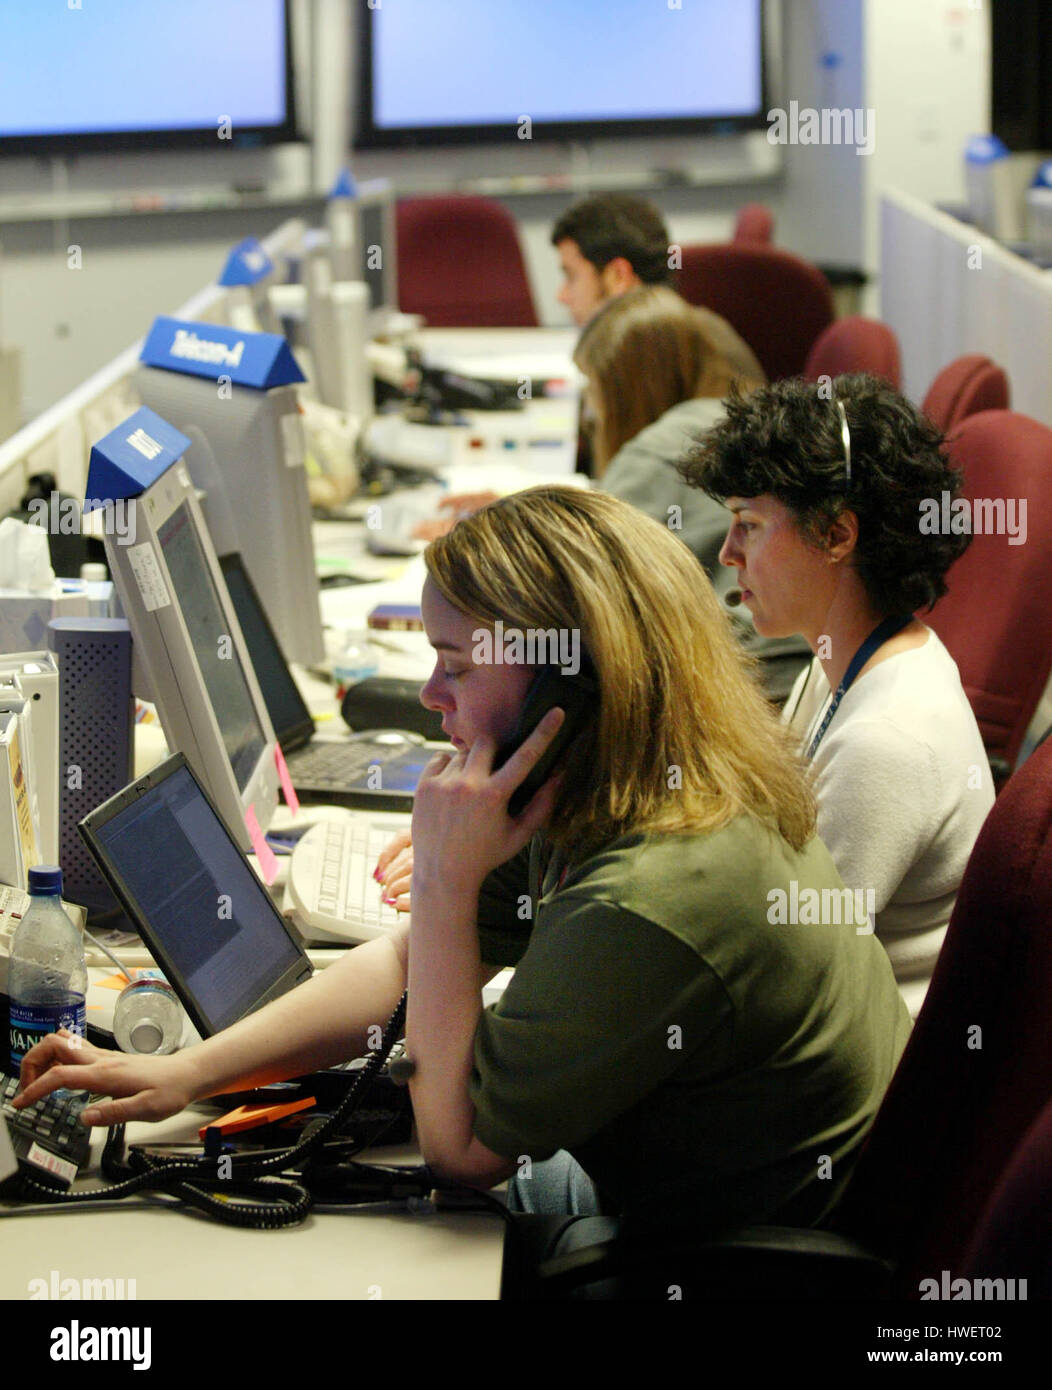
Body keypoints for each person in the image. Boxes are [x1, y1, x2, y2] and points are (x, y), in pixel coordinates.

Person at [15, 488, 911, 1245]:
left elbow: (465, 1149)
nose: (429, 696)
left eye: (455, 665)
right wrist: (189, 1073)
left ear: (570, 682)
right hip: (685, 1185)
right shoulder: (621, 779)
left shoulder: (654, 890)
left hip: (721, 1258)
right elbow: (413, 963)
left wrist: (444, 882)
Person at [678, 375, 996, 1018]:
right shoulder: (837, 664)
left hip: (863, 1078)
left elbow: (787, 969)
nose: (727, 552)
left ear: (835, 536)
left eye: (749, 525)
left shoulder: (886, 739)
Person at [551, 192, 765, 384]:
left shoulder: (647, 356)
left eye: (571, 276)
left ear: (618, 276)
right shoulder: (686, 332)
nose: (561, 296)